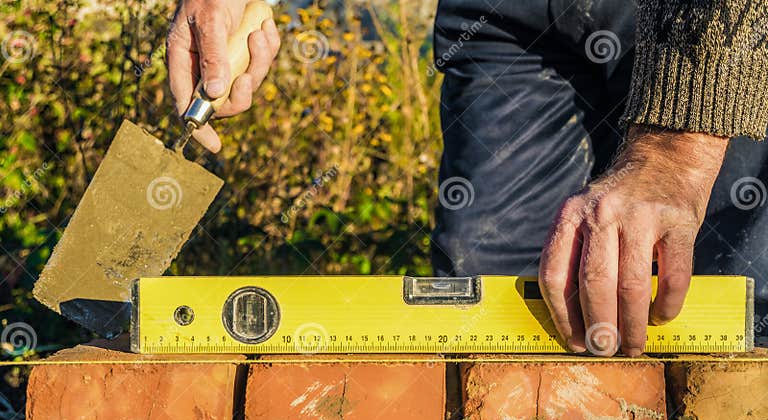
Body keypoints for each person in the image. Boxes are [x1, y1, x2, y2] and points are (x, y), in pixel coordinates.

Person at [167, 0, 768, 356]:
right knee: (493, 305)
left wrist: (675, 152)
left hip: (702, 20)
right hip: (502, 18)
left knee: (716, 302)